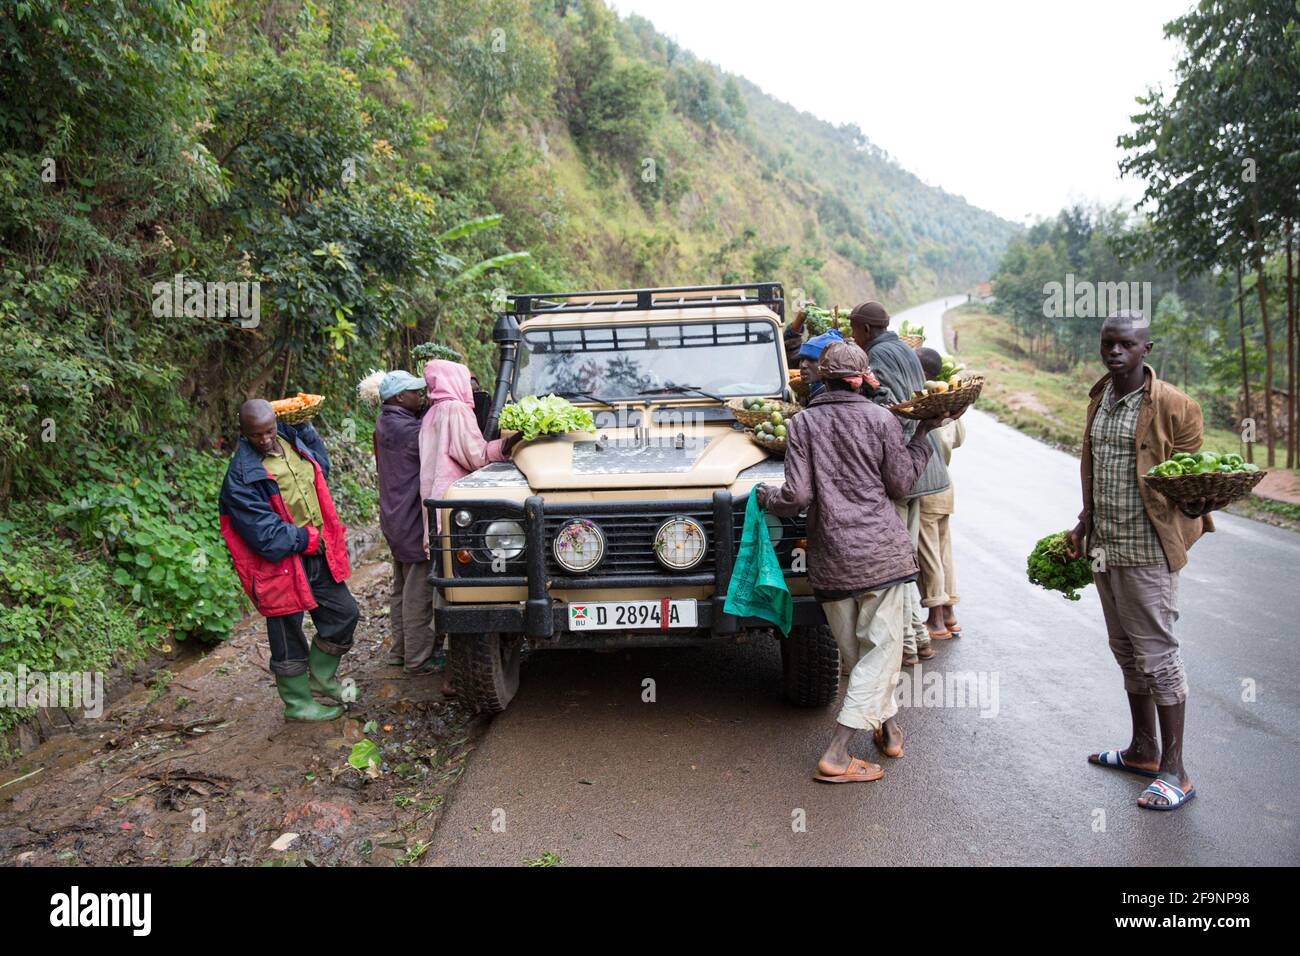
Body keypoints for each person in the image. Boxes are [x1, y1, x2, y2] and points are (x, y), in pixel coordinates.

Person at [758, 342, 962, 783]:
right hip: (880, 560)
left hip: (831, 562)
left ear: (821, 377)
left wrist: (766, 497)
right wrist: (923, 434)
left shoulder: (803, 424)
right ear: (861, 378)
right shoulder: (882, 419)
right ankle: (835, 754)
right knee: (880, 659)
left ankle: (888, 730)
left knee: (865, 659)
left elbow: (796, 499)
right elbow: (901, 485)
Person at [1065, 311, 1227, 811]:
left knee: (1157, 656)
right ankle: (1142, 749)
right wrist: (1082, 524)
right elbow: (1100, 470)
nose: (1115, 352)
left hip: (1147, 550)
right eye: (1108, 344)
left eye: (1126, 345)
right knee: (1125, 650)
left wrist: (1198, 503)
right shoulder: (1101, 398)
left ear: (1146, 349)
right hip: (1104, 546)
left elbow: (1191, 477)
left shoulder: (1175, 406)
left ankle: (1176, 771)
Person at [219, 399, 358, 722]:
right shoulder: (240, 476)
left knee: (344, 613)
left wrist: (306, 427)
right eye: (257, 435)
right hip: (278, 564)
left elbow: (320, 467)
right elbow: (263, 534)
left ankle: (321, 678)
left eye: (269, 431)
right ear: (244, 434)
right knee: (286, 632)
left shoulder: (290, 438)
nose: (266, 440)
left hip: (316, 553)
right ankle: (297, 704)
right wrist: (308, 539)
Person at [849, 301, 952, 665]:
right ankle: (918, 639)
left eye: (853, 331)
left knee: (896, 566)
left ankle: (907, 644)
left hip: (903, 468)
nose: (854, 339)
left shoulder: (877, 357)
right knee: (905, 561)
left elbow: (891, 412)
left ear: (863, 329)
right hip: (921, 463)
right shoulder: (905, 352)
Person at [419, 360, 524, 687]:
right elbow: (475, 455)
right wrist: (506, 446)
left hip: (435, 508)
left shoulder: (432, 412)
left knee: (446, 586)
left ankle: (444, 667)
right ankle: (456, 675)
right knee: (463, 591)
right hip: (456, 505)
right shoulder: (455, 412)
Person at [373, 371, 438, 674]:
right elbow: (432, 442)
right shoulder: (406, 429)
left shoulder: (387, 421)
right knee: (418, 592)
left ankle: (399, 652)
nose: (420, 395)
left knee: (401, 589)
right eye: (415, 392)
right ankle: (418, 659)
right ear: (400, 397)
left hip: (395, 517)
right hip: (410, 519)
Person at [915, 347, 966, 639]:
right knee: (944, 550)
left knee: (928, 553)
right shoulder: (952, 401)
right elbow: (957, 440)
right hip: (946, 484)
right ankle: (949, 614)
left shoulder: (924, 404)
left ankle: (934, 617)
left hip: (926, 484)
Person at [796, 328, 844, 403]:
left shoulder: (830, 399)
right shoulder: (812, 392)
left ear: (830, 365)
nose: (803, 365)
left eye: (812, 360)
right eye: (802, 359)